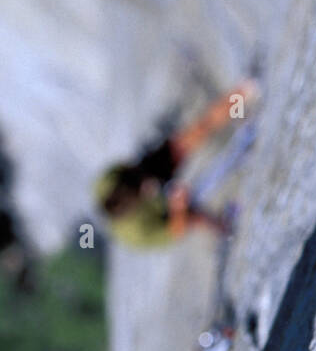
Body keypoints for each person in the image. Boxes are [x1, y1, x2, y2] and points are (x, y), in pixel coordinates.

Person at [94, 80, 259, 249]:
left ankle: (242, 94)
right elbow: (176, 231)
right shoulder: (137, 233)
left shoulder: (106, 181)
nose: (144, 188)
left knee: (197, 131)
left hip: (149, 168)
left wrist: (146, 176)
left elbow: (126, 165)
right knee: (194, 213)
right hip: (167, 207)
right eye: (141, 192)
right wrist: (178, 208)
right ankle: (221, 224)